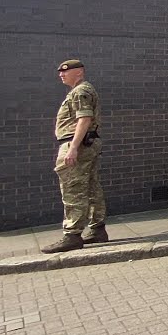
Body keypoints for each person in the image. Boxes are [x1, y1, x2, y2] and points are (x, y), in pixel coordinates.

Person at [41, 59, 106, 253]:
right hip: (88, 143)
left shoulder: (80, 91)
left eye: (66, 71)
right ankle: (97, 230)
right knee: (92, 187)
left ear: (79, 72)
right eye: (60, 71)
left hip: (77, 144)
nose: (61, 74)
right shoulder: (81, 90)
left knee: (73, 187)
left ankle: (72, 234)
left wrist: (73, 148)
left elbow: (84, 119)